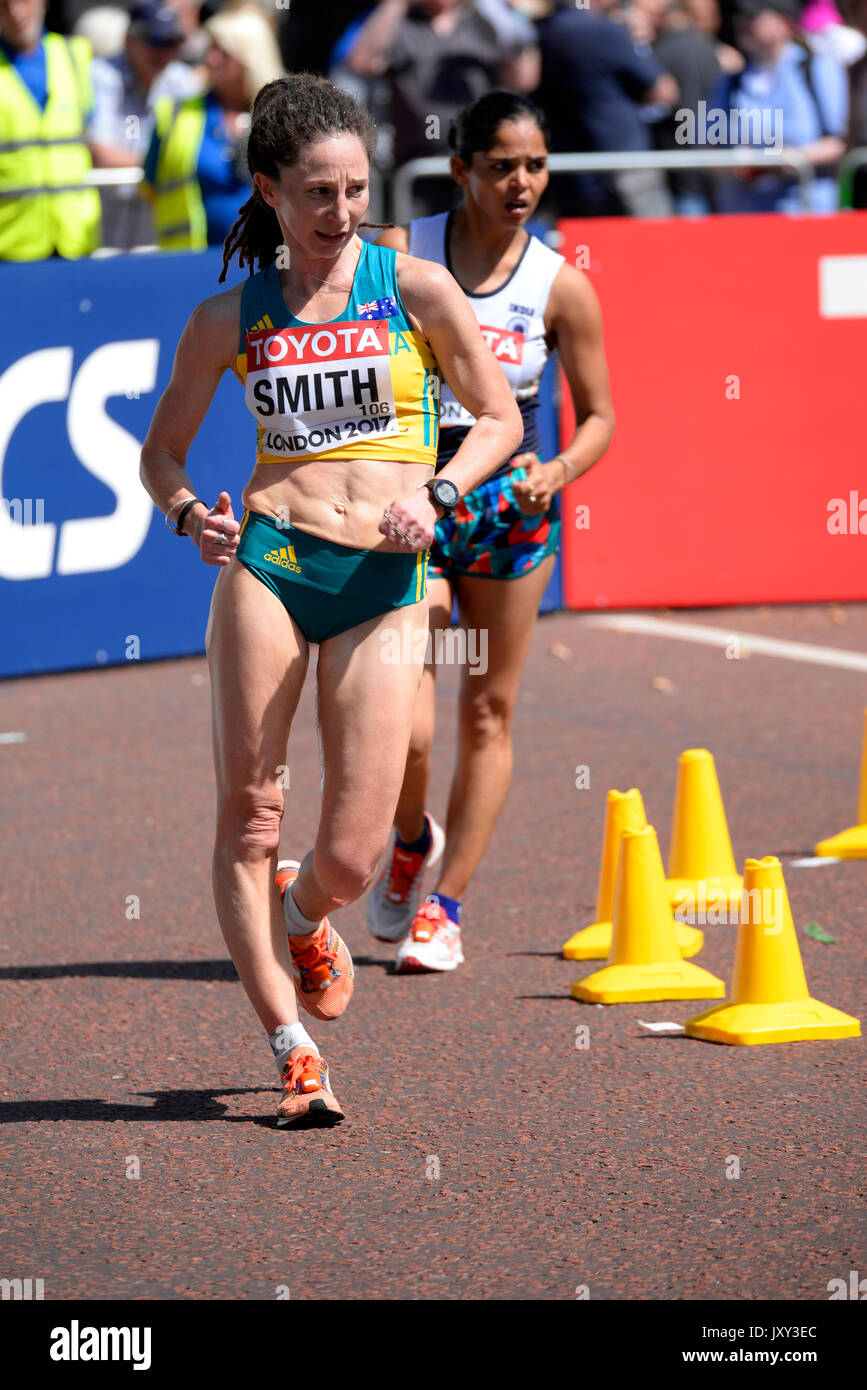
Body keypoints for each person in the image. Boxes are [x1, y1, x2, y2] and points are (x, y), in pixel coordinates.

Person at [138, 74, 522, 1126]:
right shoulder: (229, 315)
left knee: (352, 855)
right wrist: (188, 516)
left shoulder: (416, 288)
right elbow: (160, 455)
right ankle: (289, 1045)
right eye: (316, 192)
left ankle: (306, 919)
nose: (339, 212)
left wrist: (440, 492)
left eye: (355, 189)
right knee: (251, 815)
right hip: (269, 565)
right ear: (266, 188)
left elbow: (499, 421)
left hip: (383, 582)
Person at [368, 91, 614, 972]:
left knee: (488, 712)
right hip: (416, 509)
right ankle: (405, 840)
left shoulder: (560, 284)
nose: (521, 183)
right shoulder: (401, 253)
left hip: (511, 516)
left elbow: (601, 417)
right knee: (406, 717)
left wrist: (559, 472)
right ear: (460, 168)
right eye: (502, 165)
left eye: (536, 165)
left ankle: (444, 906)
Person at [346, 0, 539, 216]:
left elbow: (523, 79)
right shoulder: (401, 25)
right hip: (417, 174)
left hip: (476, 166)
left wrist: (512, 21)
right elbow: (362, 62)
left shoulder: (483, 22)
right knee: (418, 247)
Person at [141, 5, 283, 249]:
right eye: (211, 49)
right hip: (191, 260)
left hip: (272, 261)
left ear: (251, 58)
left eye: (224, 52)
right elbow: (150, 186)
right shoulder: (175, 114)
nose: (211, 60)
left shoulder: (284, 118)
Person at [534, 0, 678, 217]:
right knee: (652, 246)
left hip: (569, 175)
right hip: (623, 170)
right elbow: (664, 92)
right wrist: (637, 42)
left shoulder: (540, 30)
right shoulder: (605, 30)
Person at [708, 0, 847, 212]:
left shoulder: (816, 69)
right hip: (744, 215)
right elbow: (708, 147)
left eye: (754, 17)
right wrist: (737, 164)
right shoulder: (729, 81)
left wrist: (789, 161)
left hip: (804, 211)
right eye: (741, 17)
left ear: (785, 23)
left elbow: (839, 142)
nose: (743, 23)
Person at [0, 0, 100, 259]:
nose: (15, 13)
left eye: (22, 1)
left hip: (76, 239)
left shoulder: (76, 54)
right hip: (12, 244)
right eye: (3, 5)